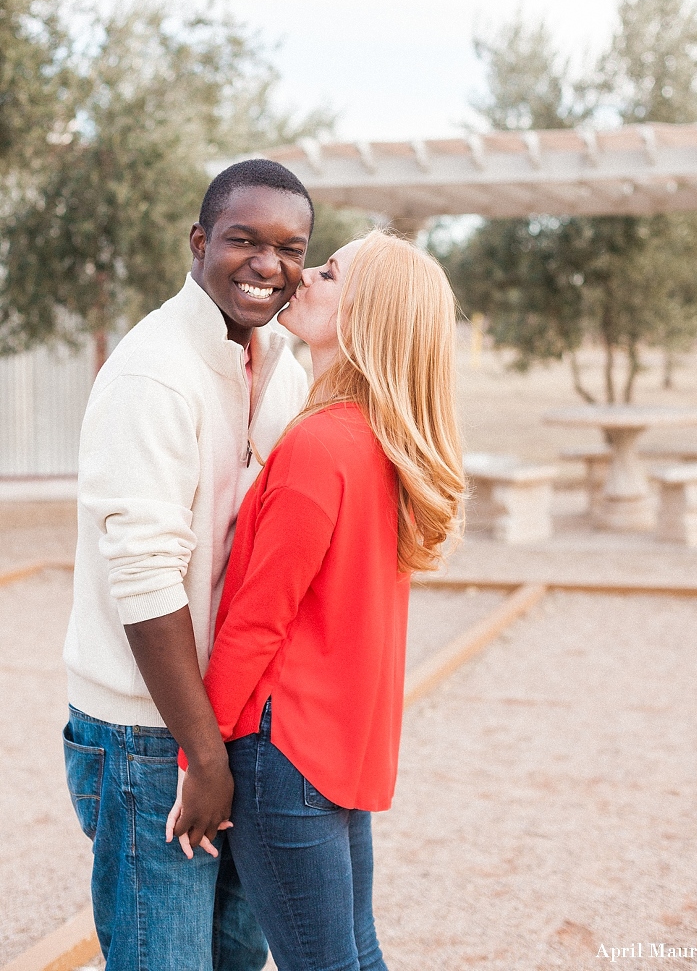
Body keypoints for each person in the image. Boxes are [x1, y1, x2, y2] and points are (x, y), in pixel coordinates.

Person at [168, 230, 465, 971]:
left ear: (369, 315)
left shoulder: (320, 445)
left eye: (331, 273)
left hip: (283, 750)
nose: (305, 276)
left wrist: (195, 758)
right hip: (339, 747)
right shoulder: (381, 442)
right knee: (354, 952)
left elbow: (255, 621)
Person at [62, 159, 314, 971]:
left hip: (230, 724)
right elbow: (143, 577)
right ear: (200, 242)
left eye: (290, 247)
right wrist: (200, 756)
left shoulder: (280, 365)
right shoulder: (153, 374)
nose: (267, 264)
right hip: (148, 735)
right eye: (244, 239)